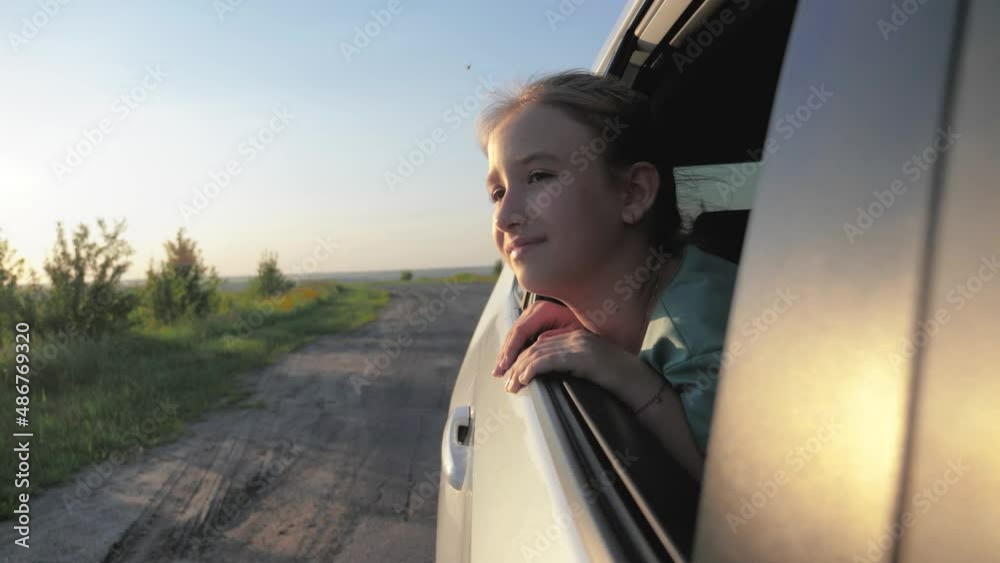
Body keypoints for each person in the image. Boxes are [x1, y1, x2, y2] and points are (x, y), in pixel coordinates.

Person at [476, 69, 737, 480]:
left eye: (539, 176)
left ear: (633, 193)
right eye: (498, 192)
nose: (506, 216)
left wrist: (623, 375)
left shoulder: (703, 336)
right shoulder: (672, 290)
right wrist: (584, 321)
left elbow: (737, 499)